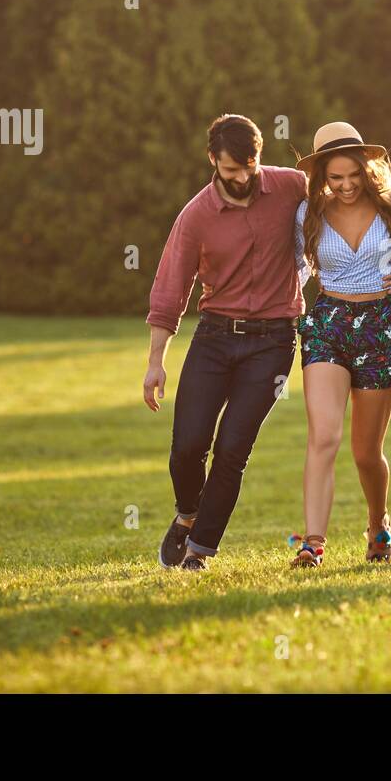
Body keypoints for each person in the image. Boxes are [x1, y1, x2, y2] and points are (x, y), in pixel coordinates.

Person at [145, 115, 306, 571]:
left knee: (233, 447)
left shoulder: (291, 185)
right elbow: (169, 291)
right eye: (232, 169)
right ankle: (187, 515)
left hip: (274, 340)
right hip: (214, 337)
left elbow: (342, 195)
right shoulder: (196, 216)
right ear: (213, 160)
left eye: (250, 166)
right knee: (188, 444)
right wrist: (156, 362)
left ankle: (200, 550)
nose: (242, 178)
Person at [288, 121, 391, 567]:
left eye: (353, 175)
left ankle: (378, 522)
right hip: (328, 321)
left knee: (366, 452)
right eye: (335, 178)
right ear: (322, 176)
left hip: (380, 324)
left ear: (368, 169)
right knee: (323, 437)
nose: (345, 186)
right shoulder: (307, 212)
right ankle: (312, 544)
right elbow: (294, 271)